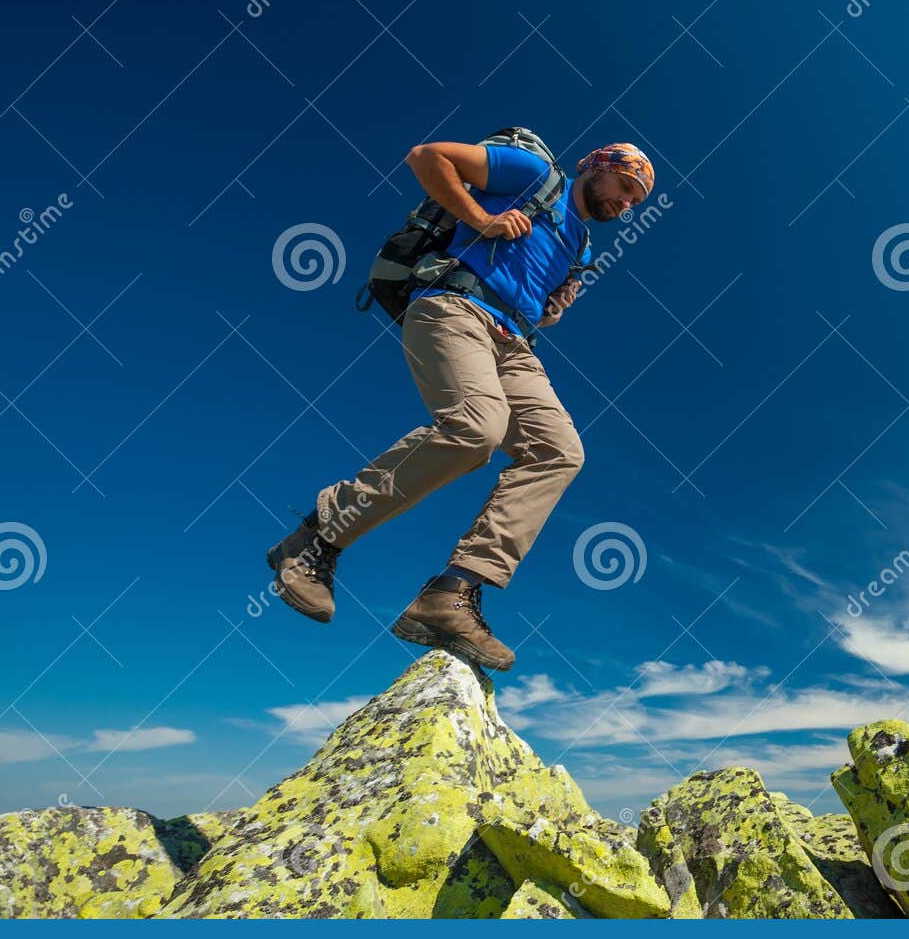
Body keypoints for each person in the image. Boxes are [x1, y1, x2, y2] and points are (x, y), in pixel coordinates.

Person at [266, 135, 654, 671]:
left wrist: (552, 307)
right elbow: (427, 157)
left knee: (560, 452)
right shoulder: (536, 175)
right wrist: (480, 216)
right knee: (478, 428)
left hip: (514, 341)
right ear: (597, 166)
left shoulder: (582, 246)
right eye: (626, 186)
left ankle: (450, 594)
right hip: (456, 308)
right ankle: (315, 540)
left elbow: (536, 300)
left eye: (637, 200)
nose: (628, 203)